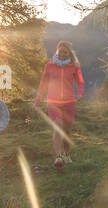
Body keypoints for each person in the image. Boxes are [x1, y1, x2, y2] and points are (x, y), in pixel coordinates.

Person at [35, 40, 85, 169]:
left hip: (69, 102)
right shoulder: (49, 65)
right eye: (60, 51)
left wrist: (80, 93)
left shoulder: (74, 66)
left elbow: (80, 81)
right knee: (58, 127)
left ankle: (67, 154)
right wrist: (38, 99)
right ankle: (58, 157)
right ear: (57, 51)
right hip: (53, 102)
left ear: (69, 53)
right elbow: (43, 83)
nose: (62, 54)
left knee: (67, 131)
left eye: (65, 52)